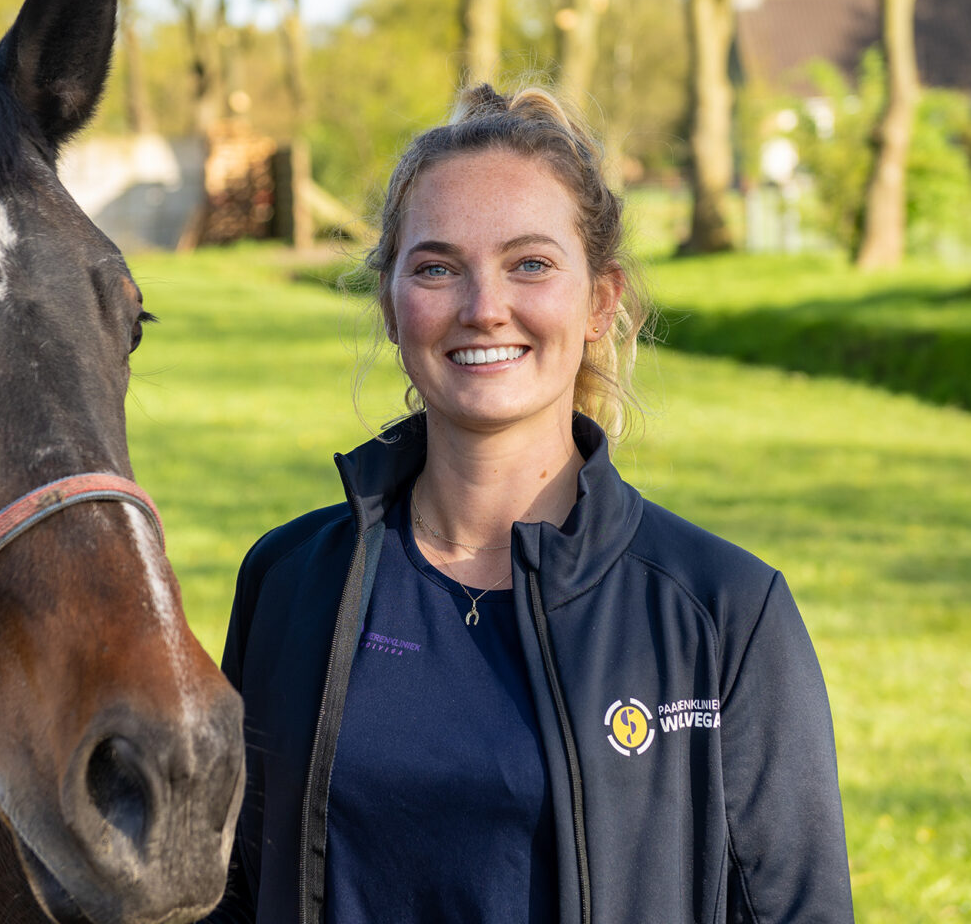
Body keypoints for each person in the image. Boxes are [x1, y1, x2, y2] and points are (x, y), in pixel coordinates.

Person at [204, 84, 854, 924]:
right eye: (436, 267)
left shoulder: (723, 612)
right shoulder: (290, 582)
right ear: (390, 306)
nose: (484, 308)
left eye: (531, 265)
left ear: (599, 302)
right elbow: (234, 893)